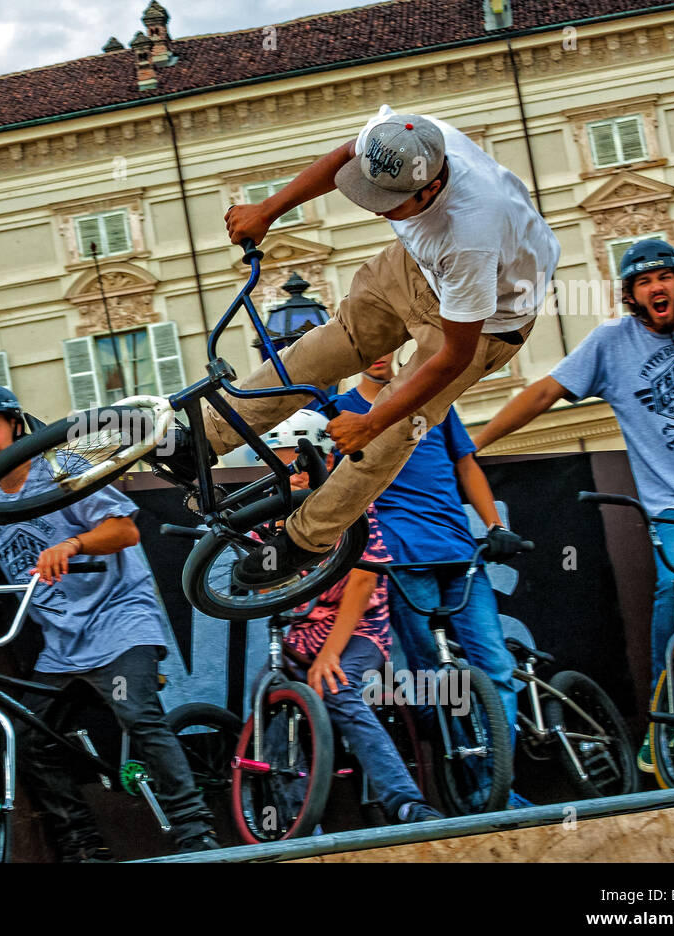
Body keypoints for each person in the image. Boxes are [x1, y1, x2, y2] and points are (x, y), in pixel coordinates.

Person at [168, 103, 559, 589]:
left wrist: (370, 421)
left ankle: (304, 543)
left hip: (485, 319)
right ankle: (203, 439)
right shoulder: (402, 136)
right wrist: (266, 212)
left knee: (395, 428)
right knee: (323, 349)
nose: (374, 208)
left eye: (388, 202)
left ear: (431, 188)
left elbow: (452, 356)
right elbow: (340, 158)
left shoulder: (471, 232)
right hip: (414, 266)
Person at [0, 385, 219, 860]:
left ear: (16, 427)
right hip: (61, 643)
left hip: (119, 619)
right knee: (28, 740)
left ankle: (196, 836)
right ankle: (83, 847)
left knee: (138, 715)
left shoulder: (65, 470)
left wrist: (74, 545)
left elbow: (122, 529)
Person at [476, 238, 674, 777]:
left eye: (663, 278)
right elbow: (543, 392)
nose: (655, 289)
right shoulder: (612, 344)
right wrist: (477, 445)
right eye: (642, 282)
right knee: (670, 592)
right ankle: (668, 720)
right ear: (631, 295)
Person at [331, 353, 530, 807]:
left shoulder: (435, 398)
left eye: (389, 343)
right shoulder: (339, 410)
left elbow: (466, 464)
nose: (380, 354)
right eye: (370, 345)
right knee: (436, 684)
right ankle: (476, 787)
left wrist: (494, 525)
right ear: (359, 352)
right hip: (400, 562)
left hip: (462, 555)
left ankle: (494, 786)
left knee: (496, 668)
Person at [259, 411, 443, 824]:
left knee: (337, 687)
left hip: (357, 631)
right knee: (267, 699)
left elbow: (362, 582)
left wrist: (330, 655)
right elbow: (257, 582)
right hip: (301, 635)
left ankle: (407, 803)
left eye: (296, 465)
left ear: (321, 459)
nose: (291, 476)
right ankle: (297, 826)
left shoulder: (353, 500)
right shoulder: (272, 513)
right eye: (281, 466)